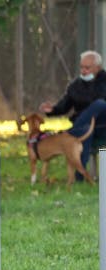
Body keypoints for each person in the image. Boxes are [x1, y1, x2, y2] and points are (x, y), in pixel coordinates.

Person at [39, 50, 106, 178]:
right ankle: (79, 178)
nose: (83, 71)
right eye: (82, 67)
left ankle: (71, 131)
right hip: (84, 128)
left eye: (87, 68)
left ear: (98, 68)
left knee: (100, 104)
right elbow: (64, 106)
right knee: (85, 129)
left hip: (102, 127)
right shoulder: (75, 85)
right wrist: (52, 110)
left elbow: (98, 99)